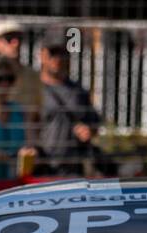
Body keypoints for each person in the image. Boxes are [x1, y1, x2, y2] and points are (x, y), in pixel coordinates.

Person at [37, 36, 104, 177]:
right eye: (53, 53)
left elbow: (95, 123)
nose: (58, 58)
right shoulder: (33, 88)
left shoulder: (77, 90)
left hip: (73, 169)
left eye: (63, 53)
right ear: (41, 55)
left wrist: (89, 130)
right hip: (42, 168)